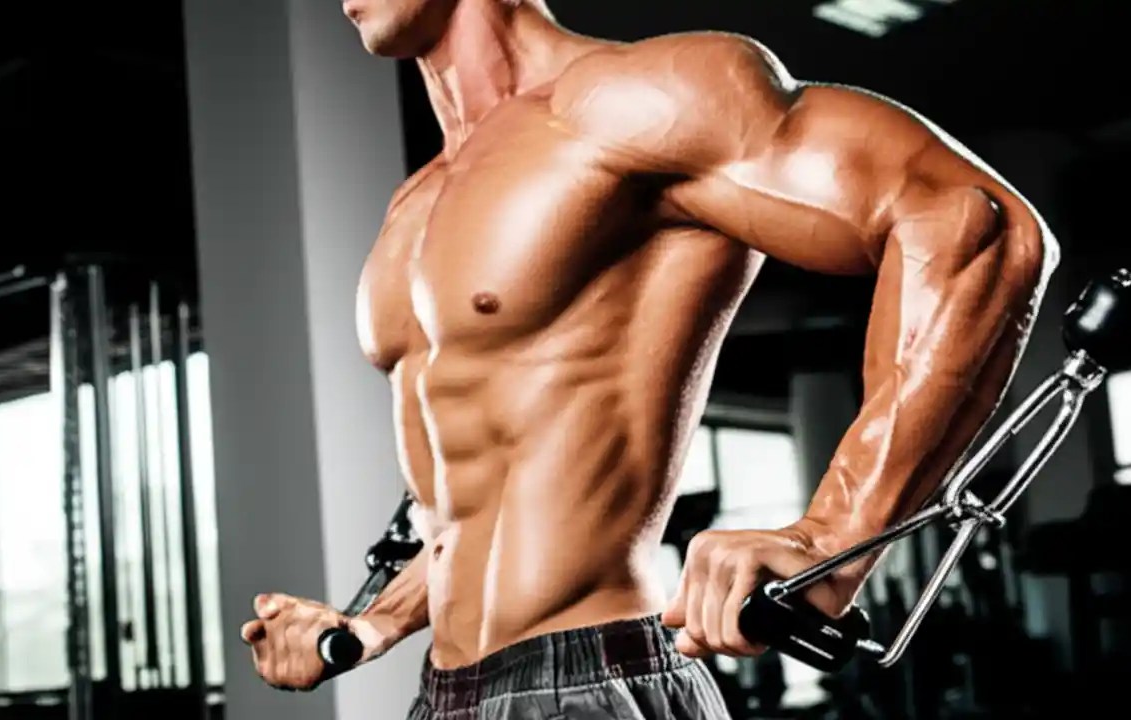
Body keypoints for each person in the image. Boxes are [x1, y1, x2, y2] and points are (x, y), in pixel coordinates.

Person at [239, 0, 1058, 717]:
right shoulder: (411, 204)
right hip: (446, 692)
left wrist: (831, 535)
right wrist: (371, 623)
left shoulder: (630, 101)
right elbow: (480, 500)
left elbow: (970, 222)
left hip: (593, 683)